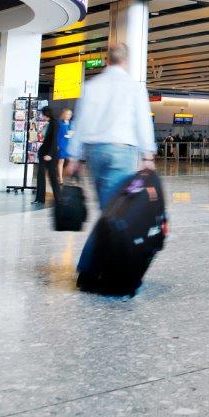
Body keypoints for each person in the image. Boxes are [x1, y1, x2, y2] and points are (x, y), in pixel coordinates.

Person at [65, 44, 156, 274]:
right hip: (121, 152)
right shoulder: (134, 88)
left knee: (110, 210)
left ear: (106, 60)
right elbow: (143, 122)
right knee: (115, 212)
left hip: (94, 153)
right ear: (125, 61)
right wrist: (148, 154)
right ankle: (89, 266)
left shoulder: (91, 86)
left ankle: (104, 264)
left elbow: (80, 123)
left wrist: (73, 156)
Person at [35, 106, 60, 204]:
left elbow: (54, 140)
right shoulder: (49, 123)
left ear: (47, 114)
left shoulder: (54, 124)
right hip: (43, 152)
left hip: (50, 154)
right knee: (40, 175)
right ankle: (40, 199)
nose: (42, 116)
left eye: (43, 114)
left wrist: (49, 154)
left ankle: (58, 199)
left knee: (52, 176)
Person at [56, 107, 73, 185]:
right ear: (64, 114)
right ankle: (60, 178)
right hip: (62, 144)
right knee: (61, 161)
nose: (69, 115)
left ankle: (64, 176)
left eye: (70, 114)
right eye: (67, 114)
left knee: (71, 161)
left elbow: (72, 133)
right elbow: (57, 135)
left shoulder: (71, 124)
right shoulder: (59, 123)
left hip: (69, 144)